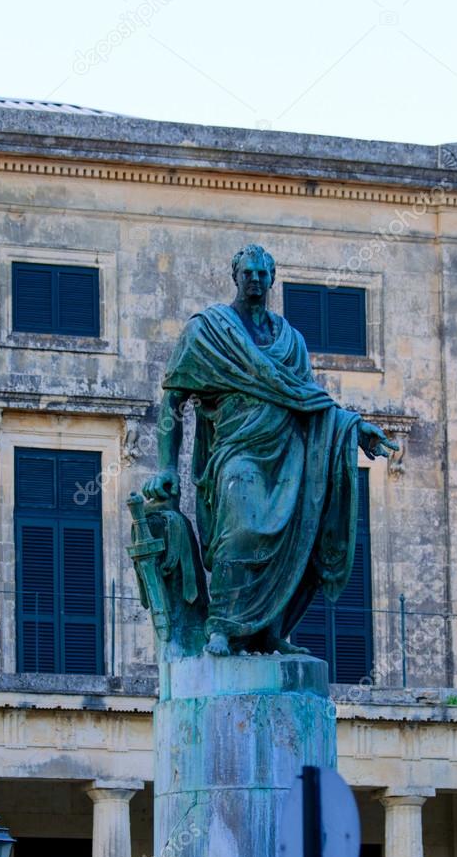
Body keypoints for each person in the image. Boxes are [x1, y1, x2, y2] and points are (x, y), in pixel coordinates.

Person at [142, 243, 397, 657]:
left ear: (272, 279)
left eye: (263, 274)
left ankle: (270, 632)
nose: (255, 280)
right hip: (238, 450)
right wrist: (167, 467)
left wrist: (354, 429)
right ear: (235, 276)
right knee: (241, 528)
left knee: (293, 536)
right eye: (248, 273)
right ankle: (222, 625)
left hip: (288, 453)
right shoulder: (208, 331)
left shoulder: (291, 341)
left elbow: (310, 401)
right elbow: (173, 400)